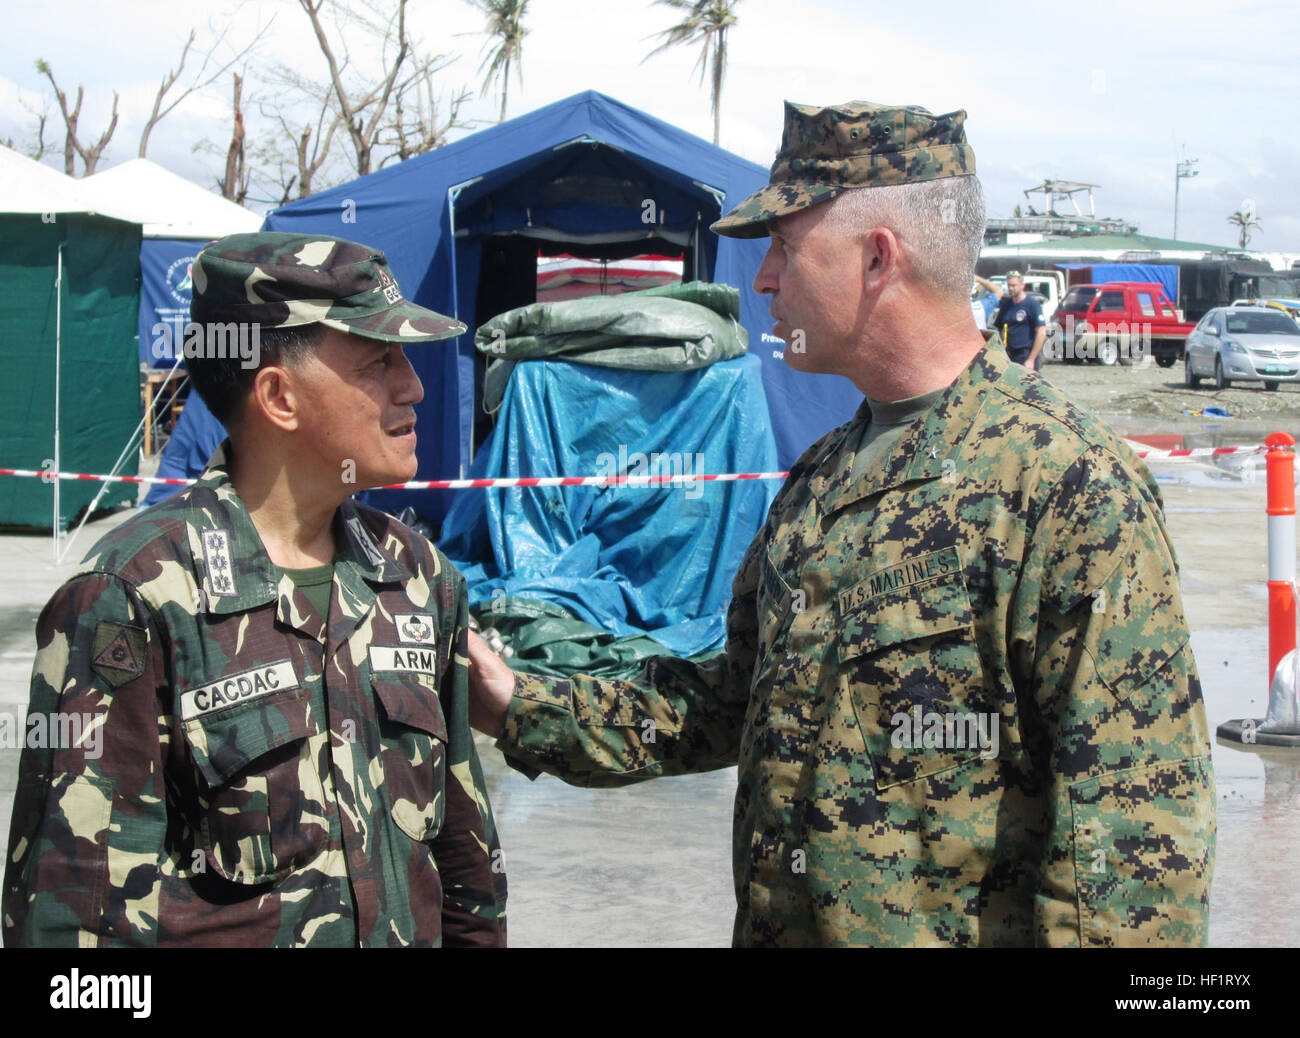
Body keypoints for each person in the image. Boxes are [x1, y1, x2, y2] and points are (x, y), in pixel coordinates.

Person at [465, 100, 1215, 948]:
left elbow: (1133, 849)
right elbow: (723, 704)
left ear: (875, 258)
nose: (763, 281)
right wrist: (519, 703)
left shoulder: (1067, 489)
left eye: (785, 246)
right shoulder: (819, 481)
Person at [4, 232, 508, 947]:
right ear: (278, 394)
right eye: (379, 361)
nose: (414, 387)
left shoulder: (418, 577)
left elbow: (466, 867)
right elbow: (73, 928)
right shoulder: (132, 597)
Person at [990, 270, 1046, 369]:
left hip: (1026, 354)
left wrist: (1031, 359)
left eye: (1014, 285)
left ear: (1022, 285)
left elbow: (1041, 332)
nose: (1011, 288)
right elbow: (997, 329)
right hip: (1009, 356)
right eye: (1009, 285)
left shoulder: (1032, 305)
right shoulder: (1006, 305)